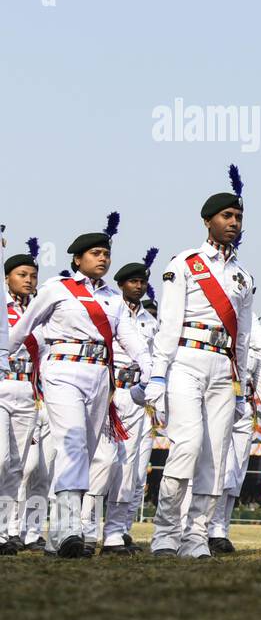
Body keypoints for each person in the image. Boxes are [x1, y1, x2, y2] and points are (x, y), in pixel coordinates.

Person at [8, 215, 152, 558]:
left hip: (100, 376)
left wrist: (151, 371)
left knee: (83, 454)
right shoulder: (57, 289)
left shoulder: (114, 301)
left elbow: (131, 340)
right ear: (77, 259)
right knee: (73, 443)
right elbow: (22, 330)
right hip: (62, 370)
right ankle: (69, 531)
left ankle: (58, 539)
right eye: (95, 253)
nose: (102, 258)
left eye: (106, 253)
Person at [147, 174, 254, 559]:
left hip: (223, 368)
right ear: (208, 220)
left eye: (239, 217)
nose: (234, 223)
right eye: (227, 215)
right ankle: (165, 533)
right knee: (188, 446)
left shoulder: (244, 276)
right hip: (186, 361)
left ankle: (196, 536)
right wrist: (158, 376)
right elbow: (168, 324)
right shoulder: (186, 264)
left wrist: (241, 386)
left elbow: (242, 338)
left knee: (216, 456)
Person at [92, 248, 160, 554]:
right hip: (109, 392)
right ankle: (84, 528)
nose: (139, 286)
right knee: (101, 464)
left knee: (130, 470)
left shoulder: (151, 321)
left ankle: (116, 533)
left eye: (142, 282)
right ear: (120, 284)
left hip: (137, 397)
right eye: (133, 282)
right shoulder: (109, 309)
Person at [206, 310, 261, 554]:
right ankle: (212, 530)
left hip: (245, 413)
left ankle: (222, 530)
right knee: (222, 470)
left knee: (236, 475)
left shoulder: (255, 356)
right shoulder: (222, 344)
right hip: (223, 407)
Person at [0, 240, 43, 553]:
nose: (28, 280)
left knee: (17, 466)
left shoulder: (41, 311)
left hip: (28, 393)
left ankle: (4, 533)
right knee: (1, 459)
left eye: (32, 275)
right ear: (7, 279)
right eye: (21, 274)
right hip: (1, 388)